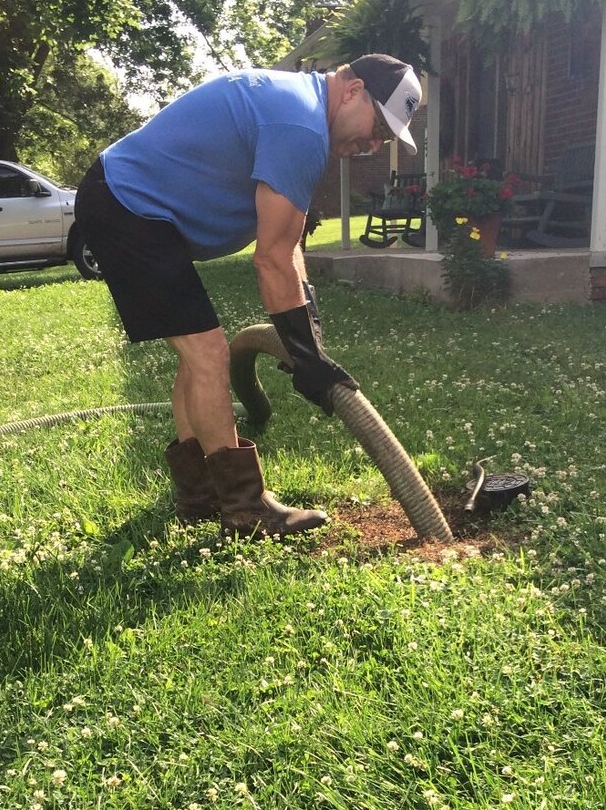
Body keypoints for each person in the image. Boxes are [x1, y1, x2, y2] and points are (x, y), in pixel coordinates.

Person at [74, 54, 423, 538]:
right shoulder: (300, 126)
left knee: (199, 356)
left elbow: (290, 248)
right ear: (352, 89)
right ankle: (244, 508)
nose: (371, 144)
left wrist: (311, 343)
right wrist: (303, 355)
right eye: (376, 127)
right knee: (209, 354)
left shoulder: (301, 111)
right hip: (126, 205)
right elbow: (271, 259)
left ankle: (198, 495)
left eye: (384, 139)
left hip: (132, 206)